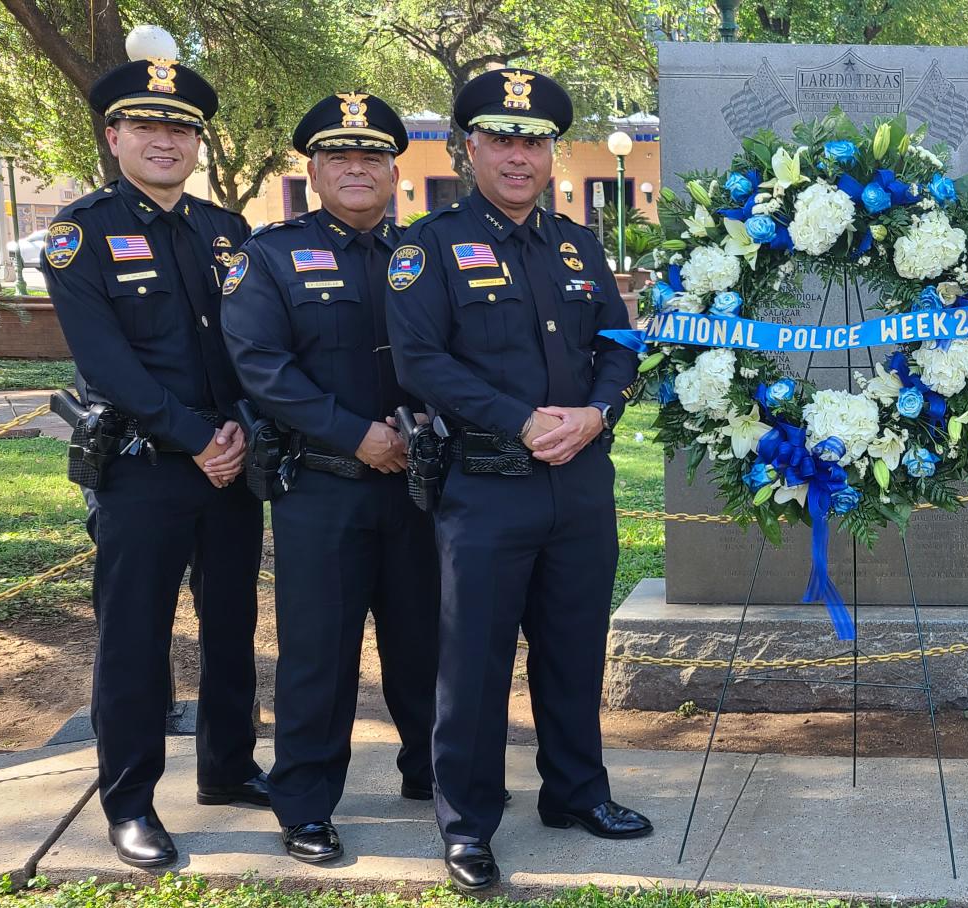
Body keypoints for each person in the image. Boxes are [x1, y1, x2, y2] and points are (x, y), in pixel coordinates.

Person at [385, 67, 646, 890]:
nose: (518, 154)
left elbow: (617, 343)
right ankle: (467, 823)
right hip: (488, 486)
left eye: (532, 140)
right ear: (469, 148)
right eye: (500, 138)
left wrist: (597, 413)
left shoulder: (578, 243)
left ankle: (575, 792)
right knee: (476, 661)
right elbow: (421, 359)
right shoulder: (426, 246)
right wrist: (521, 418)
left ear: (552, 153)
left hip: (579, 483)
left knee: (574, 648)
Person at [41, 52, 267, 869]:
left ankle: (229, 769)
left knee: (233, 627)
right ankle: (129, 801)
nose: (164, 139)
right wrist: (196, 437)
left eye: (179, 126)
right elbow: (108, 365)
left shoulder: (225, 232)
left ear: (198, 142)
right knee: (135, 639)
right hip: (142, 467)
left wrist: (236, 428)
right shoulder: (82, 235)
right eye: (146, 124)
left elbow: (252, 348)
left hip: (231, 465)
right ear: (114, 135)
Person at [220, 92, 438, 864]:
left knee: (425, 641)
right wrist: (359, 436)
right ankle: (305, 803)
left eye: (373, 155)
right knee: (319, 653)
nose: (358, 167)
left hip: (420, 486)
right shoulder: (269, 257)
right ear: (313, 169)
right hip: (322, 487)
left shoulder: (424, 254)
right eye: (341, 155)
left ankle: (432, 771)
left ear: (393, 171)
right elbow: (263, 369)